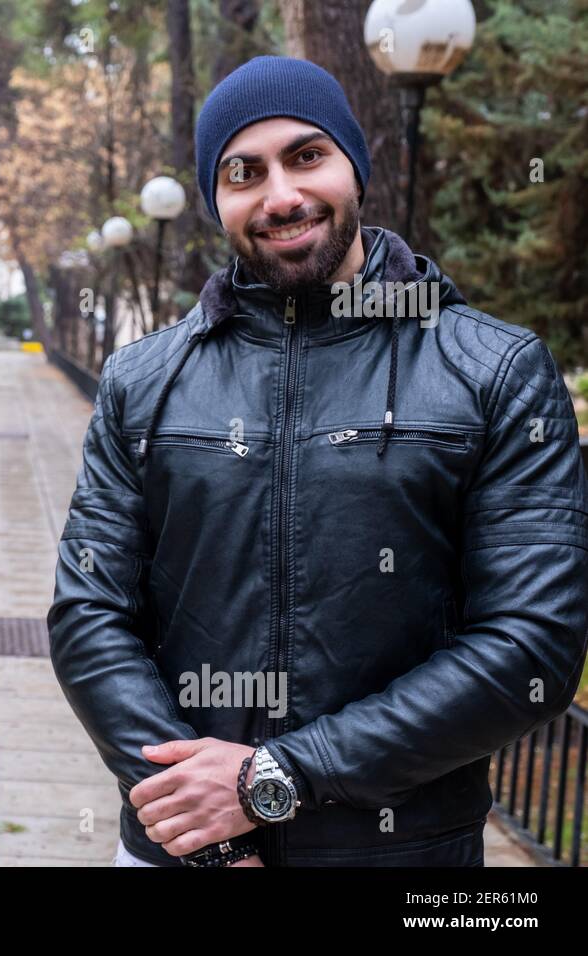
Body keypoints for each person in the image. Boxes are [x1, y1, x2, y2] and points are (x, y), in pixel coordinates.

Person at [48, 55, 588, 868]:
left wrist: (274, 778)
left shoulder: (494, 372)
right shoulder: (143, 380)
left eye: (307, 156)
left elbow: (532, 644)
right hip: (183, 855)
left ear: (353, 166)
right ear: (215, 199)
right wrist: (210, 842)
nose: (281, 195)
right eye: (243, 172)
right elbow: (89, 617)